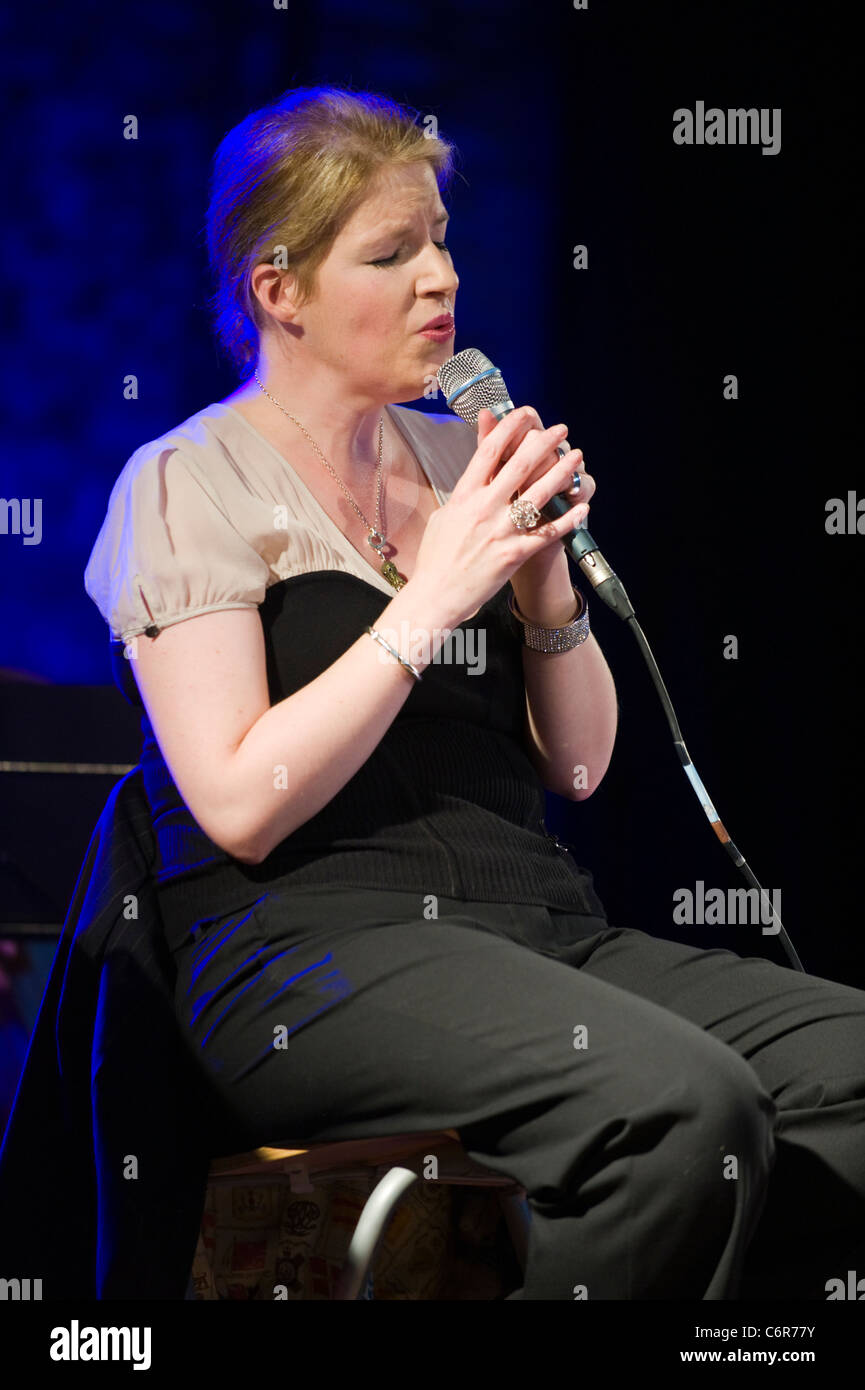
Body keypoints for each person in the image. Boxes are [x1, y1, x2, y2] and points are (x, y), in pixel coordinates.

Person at [83, 84, 865, 1301]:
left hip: (532, 923)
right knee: (681, 1109)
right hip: (310, 950)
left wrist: (546, 586)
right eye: (390, 253)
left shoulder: (464, 458)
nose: (438, 277)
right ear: (277, 289)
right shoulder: (189, 479)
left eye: (440, 238)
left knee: (850, 1065)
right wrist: (430, 600)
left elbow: (584, 769)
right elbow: (239, 802)